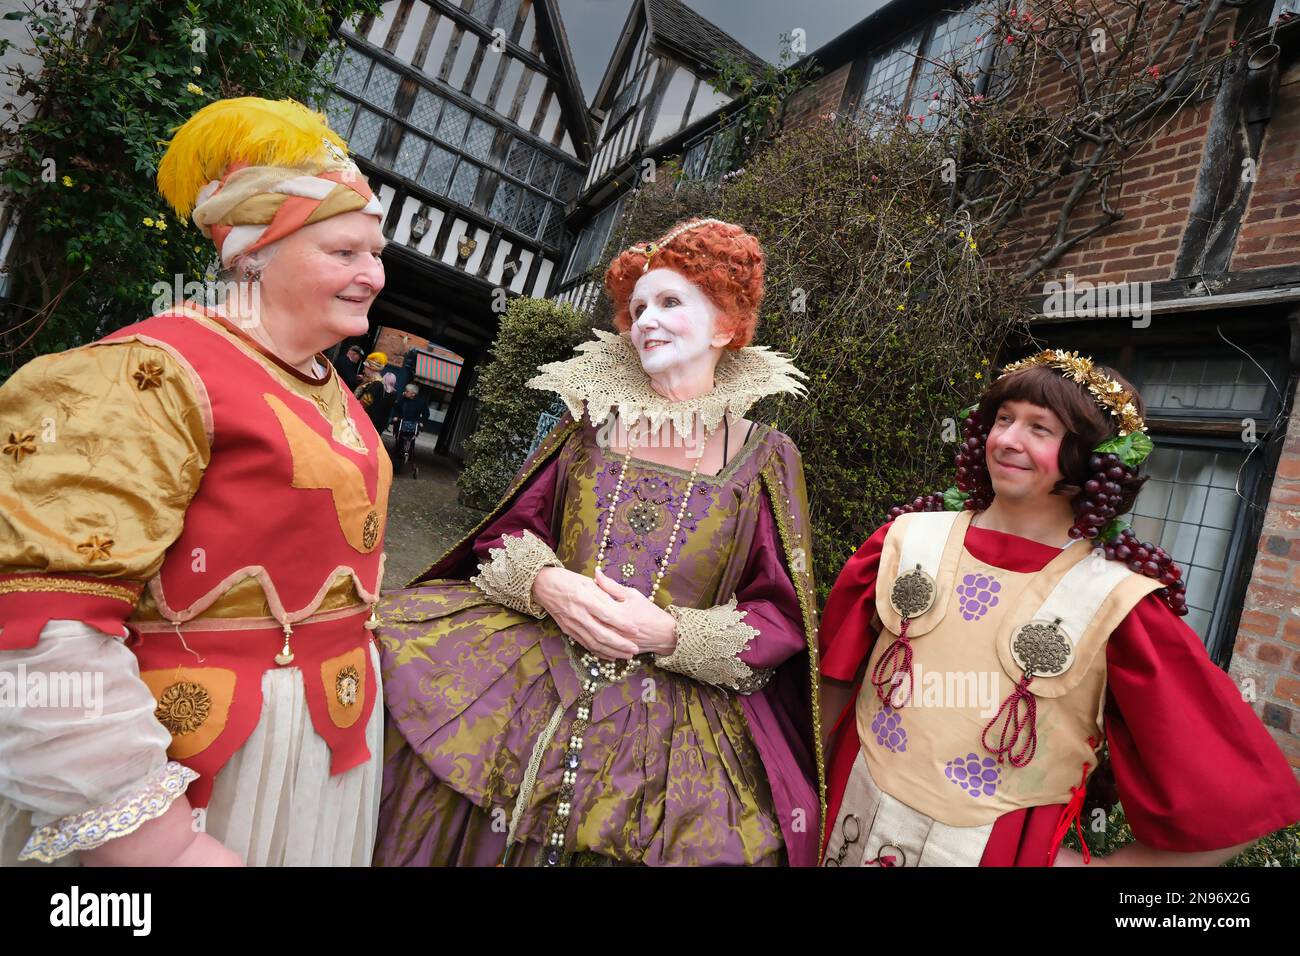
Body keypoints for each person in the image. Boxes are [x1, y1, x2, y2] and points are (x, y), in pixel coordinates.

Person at [0, 97, 392, 866]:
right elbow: (38, 629)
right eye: (344, 252)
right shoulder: (149, 374)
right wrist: (155, 842)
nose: (373, 275)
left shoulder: (329, 387)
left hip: (317, 760)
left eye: (377, 253)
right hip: (192, 775)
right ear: (254, 255)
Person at [374, 218, 825, 866]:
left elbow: (779, 612)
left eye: (671, 302)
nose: (647, 320)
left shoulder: (767, 457)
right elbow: (509, 532)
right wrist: (546, 583)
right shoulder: (589, 424)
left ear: (726, 326)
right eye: (638, 307)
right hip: (528, 675)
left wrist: (669, 633)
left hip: (668, 724)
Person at [819, 350, 1300, 867]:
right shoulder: (906, 542)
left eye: (1040, 429)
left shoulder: (1116, 600)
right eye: (1004, 419)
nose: (1006, 440)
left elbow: (1235, 799)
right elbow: (829, 684)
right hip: (845, 819)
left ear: (1093, 459)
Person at [390, 382, 428, 475]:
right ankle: (396, 467)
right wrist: (395, 416)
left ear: (413, 393)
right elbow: (396, 408)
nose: (405, 392)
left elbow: (426, 413)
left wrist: (422, 422)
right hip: (400, 424)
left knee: (410, 447)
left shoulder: (420, 402)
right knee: (399, 445)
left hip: (412, 426)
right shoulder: (403, 399)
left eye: (407, 391)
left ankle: (407, 461)